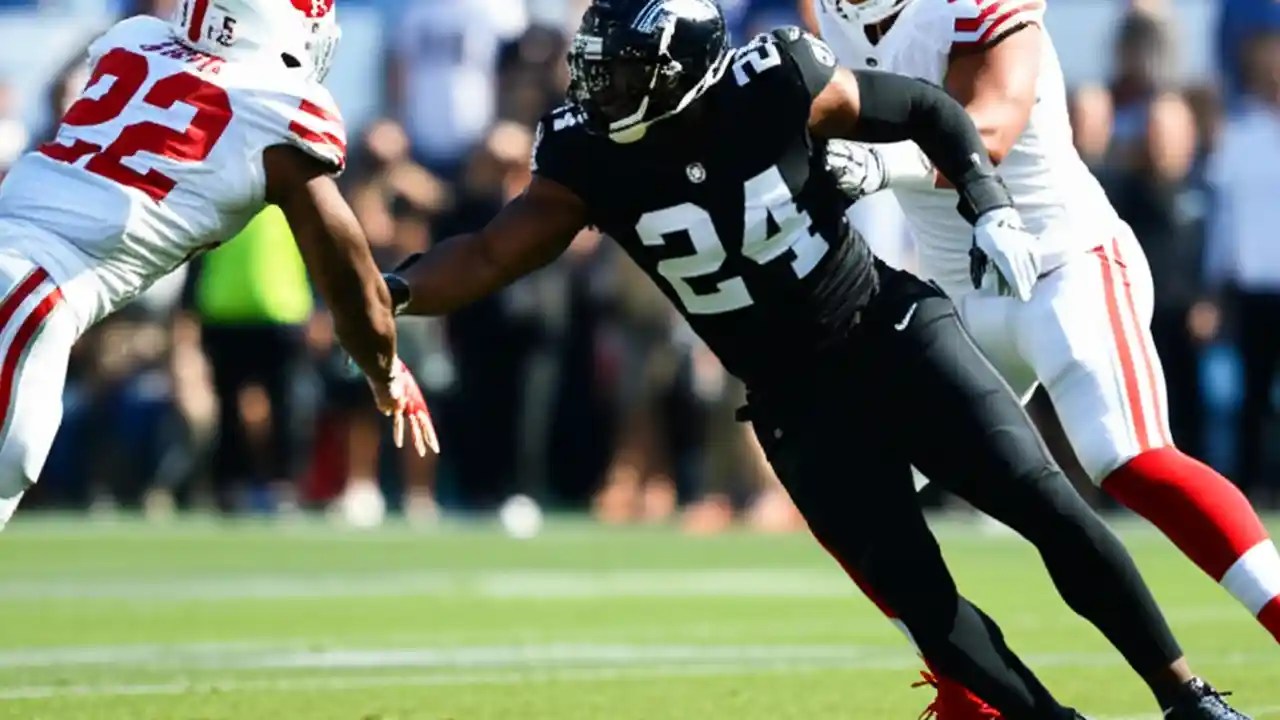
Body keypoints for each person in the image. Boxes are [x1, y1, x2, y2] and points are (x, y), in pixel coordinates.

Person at [383, 2, 1249, 718]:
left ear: (679, 70)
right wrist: (394, 292)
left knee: (1048, 506)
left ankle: (1187, 696)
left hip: (891, 335)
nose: (593, 88)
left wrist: (988, 203)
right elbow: (493, 253)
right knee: (923, 603)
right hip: (794, 403)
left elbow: (928, 108)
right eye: (593, 68)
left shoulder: (773, 81)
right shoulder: (583, 153)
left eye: (617, 72)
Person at [812, 0, 1280, 694]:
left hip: (1064, 266)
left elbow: (988, 126)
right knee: (847, 492)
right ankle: (969, 690)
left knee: (1126, 457)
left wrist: (878, 167)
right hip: (957, 293)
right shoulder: (834, 9)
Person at [0, 0, 435, 530]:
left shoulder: (133, 41)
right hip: (28, 292)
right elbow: (350, 274)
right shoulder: (273, 105)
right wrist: (385, 369)